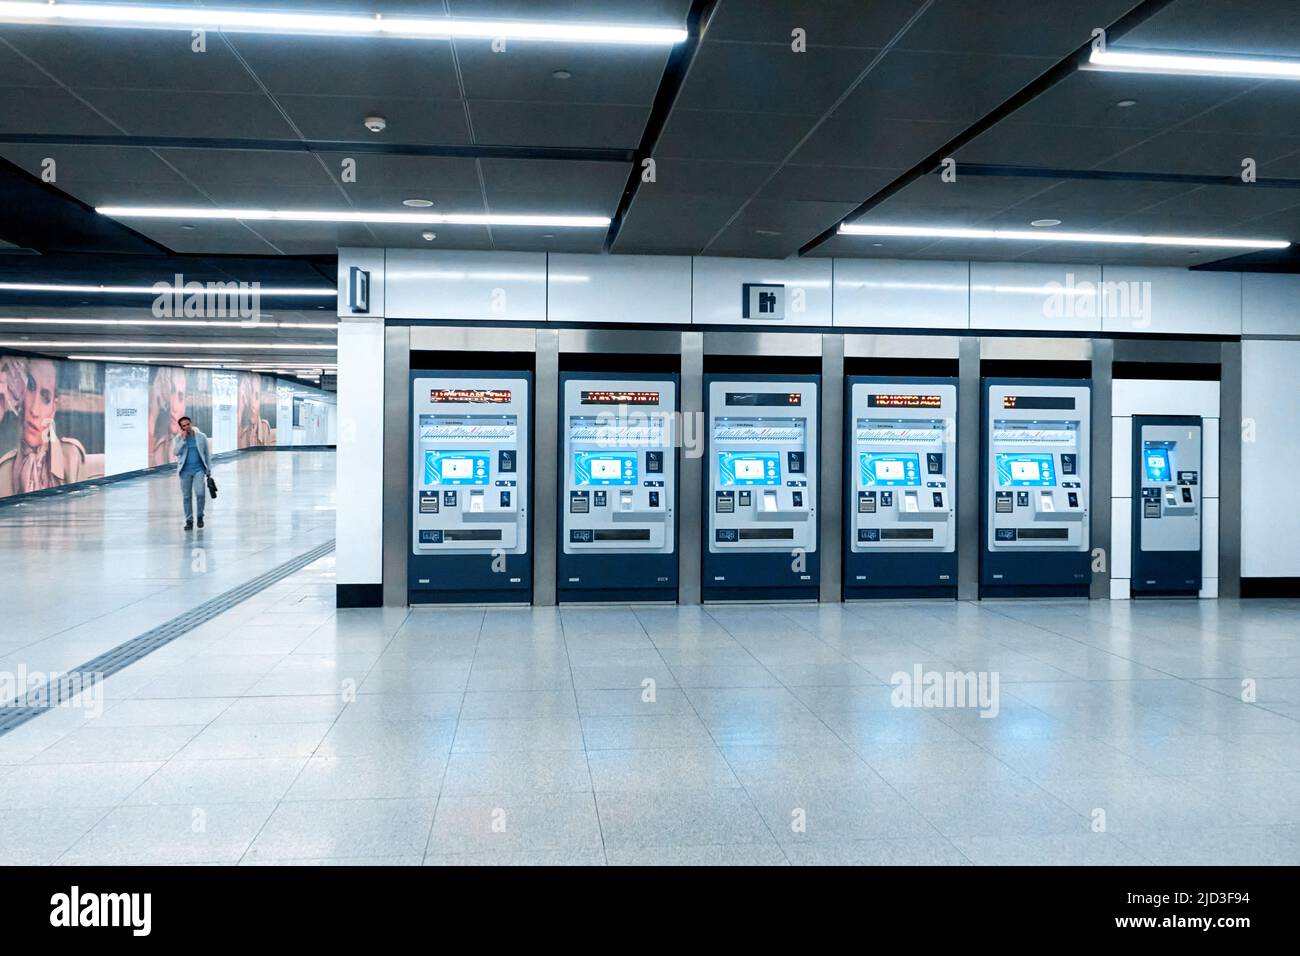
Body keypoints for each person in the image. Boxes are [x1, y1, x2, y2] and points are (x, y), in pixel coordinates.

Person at [0, 358, 101, 497]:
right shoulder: (4, 469)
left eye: (45, 397)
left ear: (53, 408)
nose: (34, 410)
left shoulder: (71, 456)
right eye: (30, 388)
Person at [172, 415, 211, 530]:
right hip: (185, 471)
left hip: (199, 469)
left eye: (188, 424)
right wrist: (183, 440)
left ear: (191, 423)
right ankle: (189, 520)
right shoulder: (178, 439)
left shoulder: (201, 437)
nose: (186, 427)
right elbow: (176, 452)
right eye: (184, 426)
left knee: (200, 493)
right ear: (181, 428)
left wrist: (208, 470)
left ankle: (200, 516)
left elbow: (207, 455)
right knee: (187, 496)